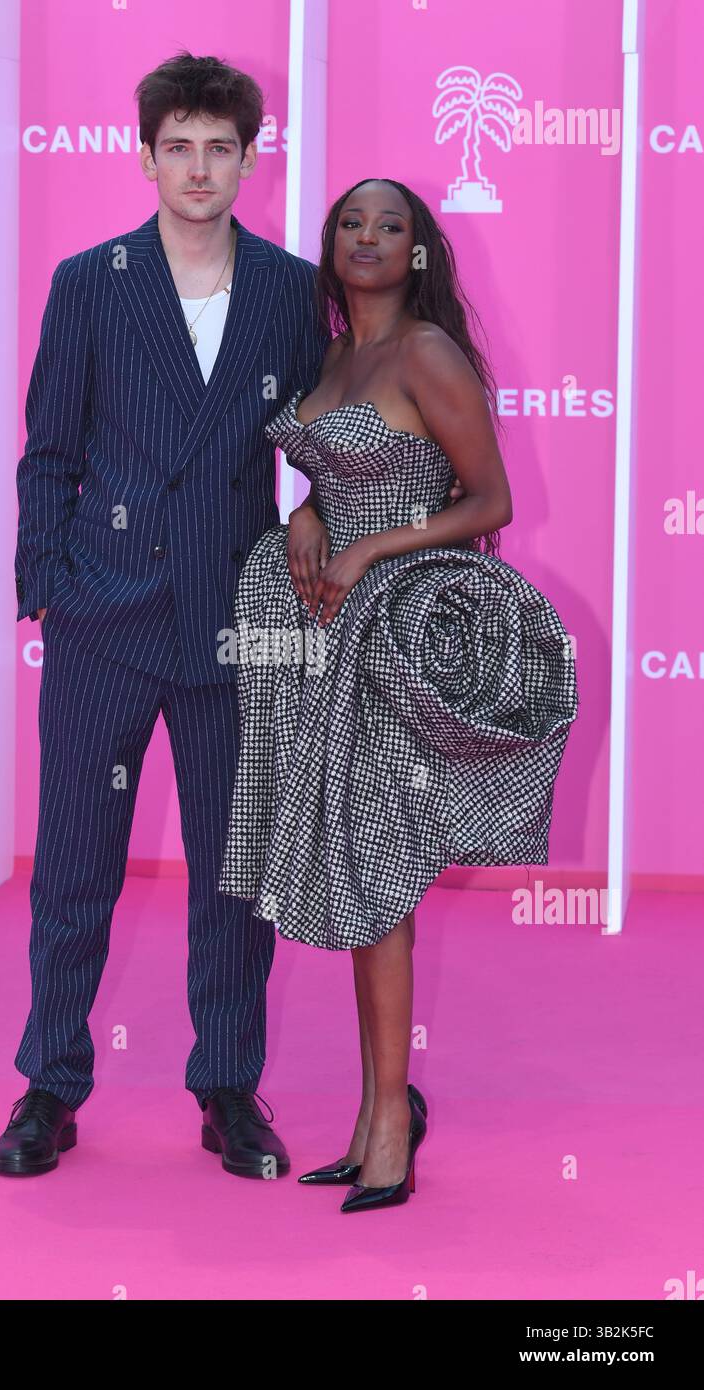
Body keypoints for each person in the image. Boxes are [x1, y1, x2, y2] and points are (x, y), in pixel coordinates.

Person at [0, 55, 465, 1181]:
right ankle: (48, 1086)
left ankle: (226, 1086)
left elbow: (336, 436)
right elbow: (47, 452)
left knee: (231, 873)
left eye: (220, 148)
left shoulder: (288, 293)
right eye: (179, 147)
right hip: (102, 620)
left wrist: (312, 522)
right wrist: (46, 585)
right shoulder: (88, 283)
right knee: (71, 870)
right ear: (147, 154)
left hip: (235, 625)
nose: (199, 167)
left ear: (249, 161)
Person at [218, 177, 579, 1212]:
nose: (368, 237)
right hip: (319, 636)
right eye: (350, 222)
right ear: (328, 245)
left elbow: (489, 499)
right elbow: (334, 474)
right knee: (355, 872)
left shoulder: (425, 351)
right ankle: (384, 1105)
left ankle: (385, 1120)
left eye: (391, 226)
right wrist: (306, 514)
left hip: (398, 632)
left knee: (375, 882)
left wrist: (370, 538)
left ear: (417, 252)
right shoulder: (335, 356)